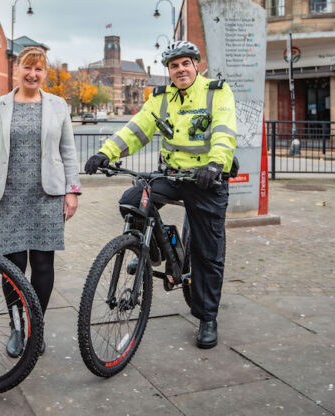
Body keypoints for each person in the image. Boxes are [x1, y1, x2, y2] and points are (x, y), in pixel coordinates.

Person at [84, 41, 236, 350]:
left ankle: (207, 317)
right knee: (131, 200)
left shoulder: (216, 92)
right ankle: (149, 251)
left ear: (196, 65)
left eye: (185, 64)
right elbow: (136, 130)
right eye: (174, 66)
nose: (180, 70)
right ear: (168, 71)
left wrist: (216, 162)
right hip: (172, 175)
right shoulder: (161, 99)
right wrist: (105, 152)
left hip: (207, 178)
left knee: (208, 253)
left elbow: (223, 131)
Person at [0, 46, 81, 357]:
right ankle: (17, 327)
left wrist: (72, 190)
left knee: (43, 264)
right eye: (27, 68)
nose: (33, 74)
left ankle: (36, 326)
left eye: (39, 69)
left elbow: (68, 151)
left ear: (45, 73)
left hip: (47, 195)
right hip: (7, 197)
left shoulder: (59, 106)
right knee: (13, 265)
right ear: (17, 69)